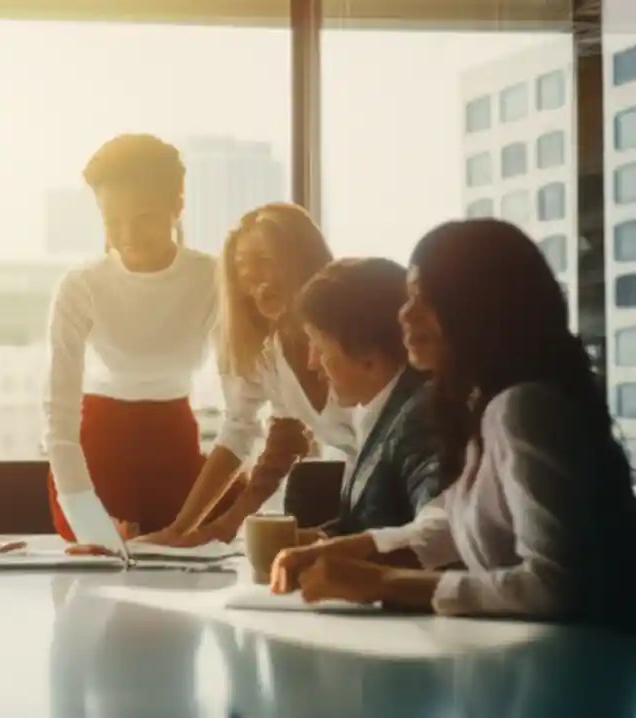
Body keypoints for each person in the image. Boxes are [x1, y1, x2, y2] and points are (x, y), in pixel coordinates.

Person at [272, 219, 636, 625]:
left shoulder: (522, 409)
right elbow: (444, 525)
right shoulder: (488, 406)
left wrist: (385, 582)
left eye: (424, 298)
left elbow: (557, 585)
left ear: (477, 306)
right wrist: (345, 551)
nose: (404, 315)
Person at [137, 202, 357, 547]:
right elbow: (268, 440)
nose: (251, 278)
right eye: (241, 267)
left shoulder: (356, 336)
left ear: (303, 262)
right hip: (366, 488)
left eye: (265, 261)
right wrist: (193, 528)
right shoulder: (270, 355)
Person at [43, 134, 222, 546]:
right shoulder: (81, 285)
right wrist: (86, 516)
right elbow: (60, 419)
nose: (128, 235)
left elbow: (241, 399)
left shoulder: (212, 278)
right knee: (97, 580)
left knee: (181, 582)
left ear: (177, 205)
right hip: (95, 449)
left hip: (176, 444)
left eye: (144, 216)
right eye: (112, 220)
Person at [296, 257, 442, 535]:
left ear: (369, 358)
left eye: (319, 345)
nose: (312, 363)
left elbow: (435, 535)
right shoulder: (387, 408)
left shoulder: (423, 416)